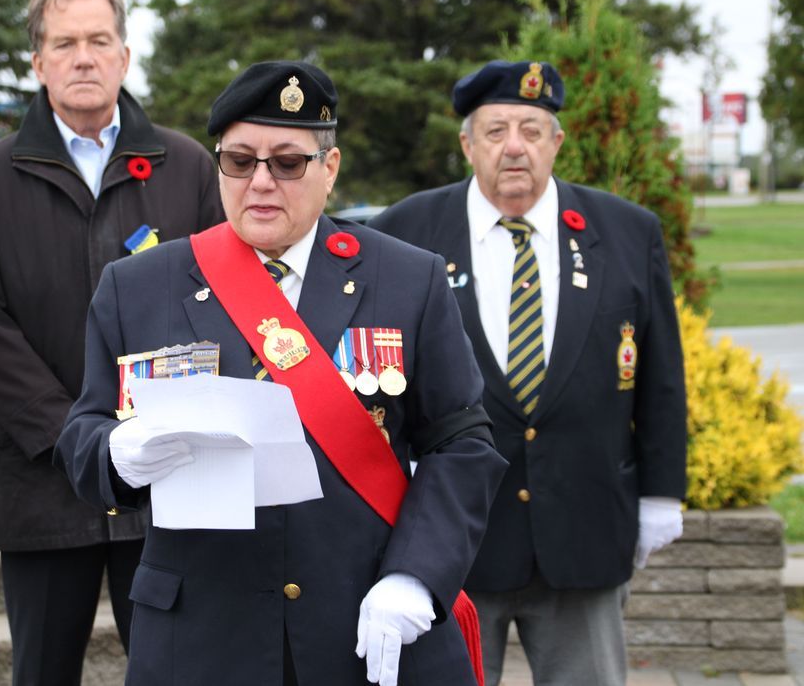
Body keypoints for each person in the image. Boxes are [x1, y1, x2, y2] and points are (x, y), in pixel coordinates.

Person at [53, 60, 509, 686]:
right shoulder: (138, 286)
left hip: (359, 622)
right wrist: (115, 454)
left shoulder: (407, 280)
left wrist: (416, 575)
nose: (260, 182)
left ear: (330, 170)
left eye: (287, 162)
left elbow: (462, 443)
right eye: (240, 161)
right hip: (202, 635)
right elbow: (82, 433)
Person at [369, 60, 688, 686]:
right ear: (467, 143)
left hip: (584, 529)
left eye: (532, 129)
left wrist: (660, 494)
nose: (514, 146)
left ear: (556, 142)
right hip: (450, 539)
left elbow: (661, 376)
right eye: (495, 131)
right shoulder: (404, 233)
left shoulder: (626, 231)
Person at [0, 0, 223, 686]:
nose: (83, 57)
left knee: (179, 671)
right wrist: (78, 437)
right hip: (43, 482)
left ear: (124, 57)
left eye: (99, 40)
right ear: (37, 63)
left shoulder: (186, 165)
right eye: (63, 42)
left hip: (168, 480)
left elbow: (222, 301)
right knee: (42, 672)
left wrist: (150, 434)